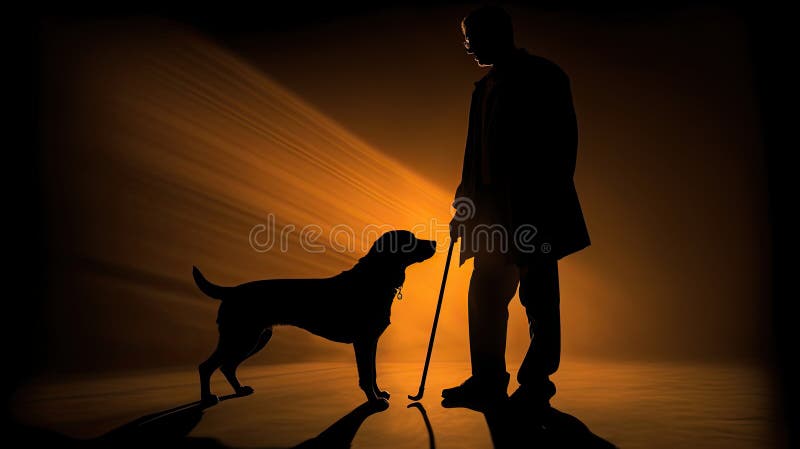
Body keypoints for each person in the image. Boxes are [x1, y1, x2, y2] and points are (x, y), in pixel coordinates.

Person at [442, 5, 590, 410]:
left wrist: (543, 204)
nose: (467, 46)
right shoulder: (483, 88)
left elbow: (563, 146)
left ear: (495, 34)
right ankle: (488, 381)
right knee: (486, 295)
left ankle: (536, 382)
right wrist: (464, 204)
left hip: (532, 209)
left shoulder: (543, 76)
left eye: (471, 37)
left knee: (538, 297)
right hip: (491, 213)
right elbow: (473, 158)